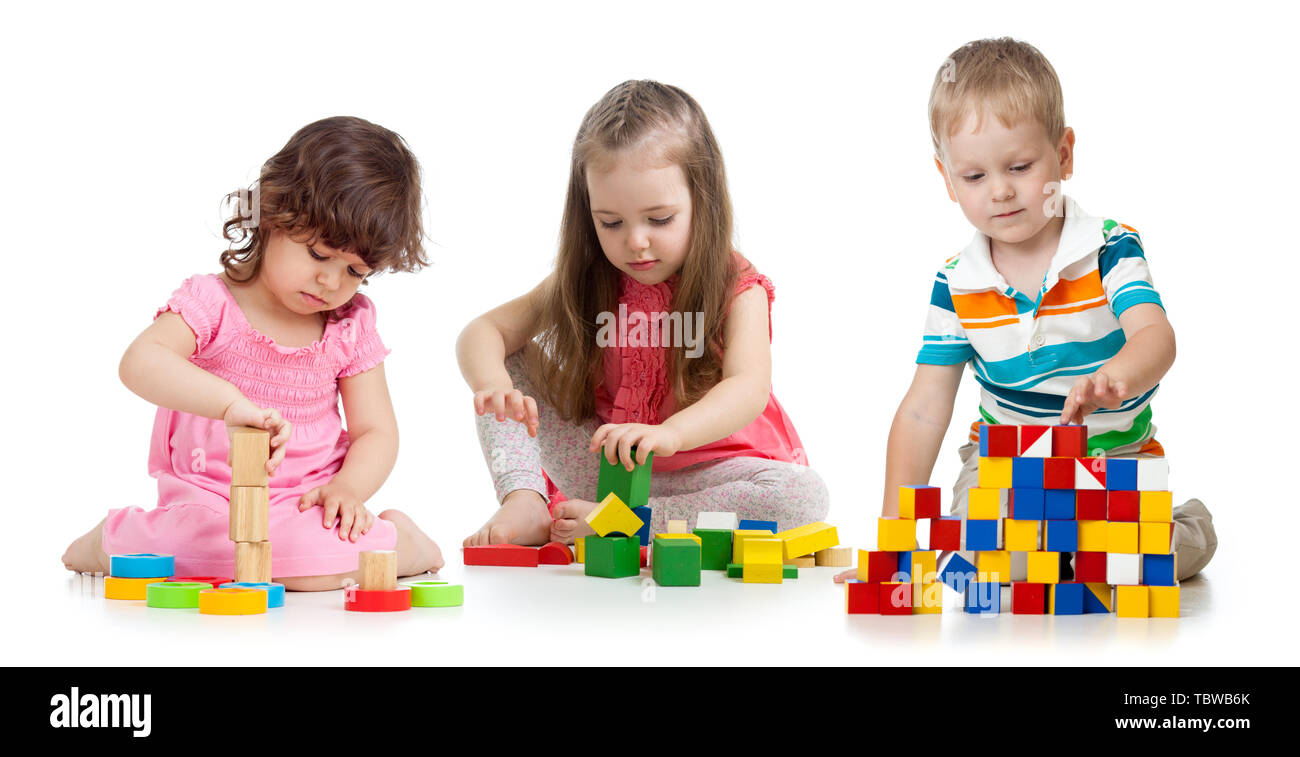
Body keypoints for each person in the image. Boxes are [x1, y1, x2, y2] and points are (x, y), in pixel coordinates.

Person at [835, 38, 1215, 583]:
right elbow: (923, 410)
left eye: (1019, 166)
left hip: (1114, 462)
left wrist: (1118, 376)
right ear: (945, 178)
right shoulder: (956, 284)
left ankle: (1178, 529)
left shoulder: (1108, 249)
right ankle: (1041, 549)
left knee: (1131, 564)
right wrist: (894, 539)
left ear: (1063, 155)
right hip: (1004, 469)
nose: (1001, 191)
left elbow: (1157, 336)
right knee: (977, 567)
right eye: (974, 177)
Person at [62, 116, 443, 591]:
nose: (331, 282)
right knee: (207, 544)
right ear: (272, 216)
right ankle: (112, 539)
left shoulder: (349, 325)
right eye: (319, 255)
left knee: (311, 550)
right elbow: (140, 362)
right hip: (207, 505)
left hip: (305, 506)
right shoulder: (212, 304)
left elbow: (377, 431)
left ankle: (401, 543)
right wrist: (229, 405)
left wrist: (347, 490)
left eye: (355, 271)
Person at [459, 80, 828, 547]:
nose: (635, 241)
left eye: (659, 219)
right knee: (505, 363)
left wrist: (672, 434)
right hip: (605, 468)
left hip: (709, 477)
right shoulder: (589, 274)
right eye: (610, 222)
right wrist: (494, 388)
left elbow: (748, 387)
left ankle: (628, 522)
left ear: (703, 201)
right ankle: (525, 497)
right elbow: (482, 330)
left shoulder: (737, 286)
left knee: (803, 496)